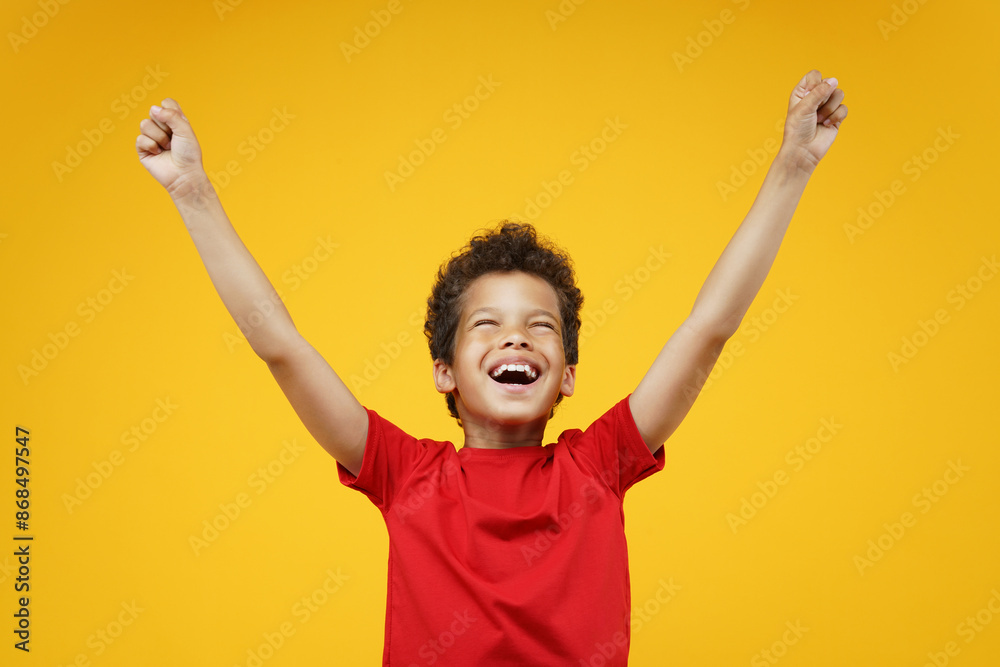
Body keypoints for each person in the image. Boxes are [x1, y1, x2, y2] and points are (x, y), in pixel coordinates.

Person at [135, 69, 847, 666]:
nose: (517, 339)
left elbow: (709, 328)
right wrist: (193, 194)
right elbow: (281, 345)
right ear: (444, 370)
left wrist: (793, 166)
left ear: (568, 374)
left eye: (542, 326)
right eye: (488, 325)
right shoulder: (405, 474)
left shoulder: (597, 466)